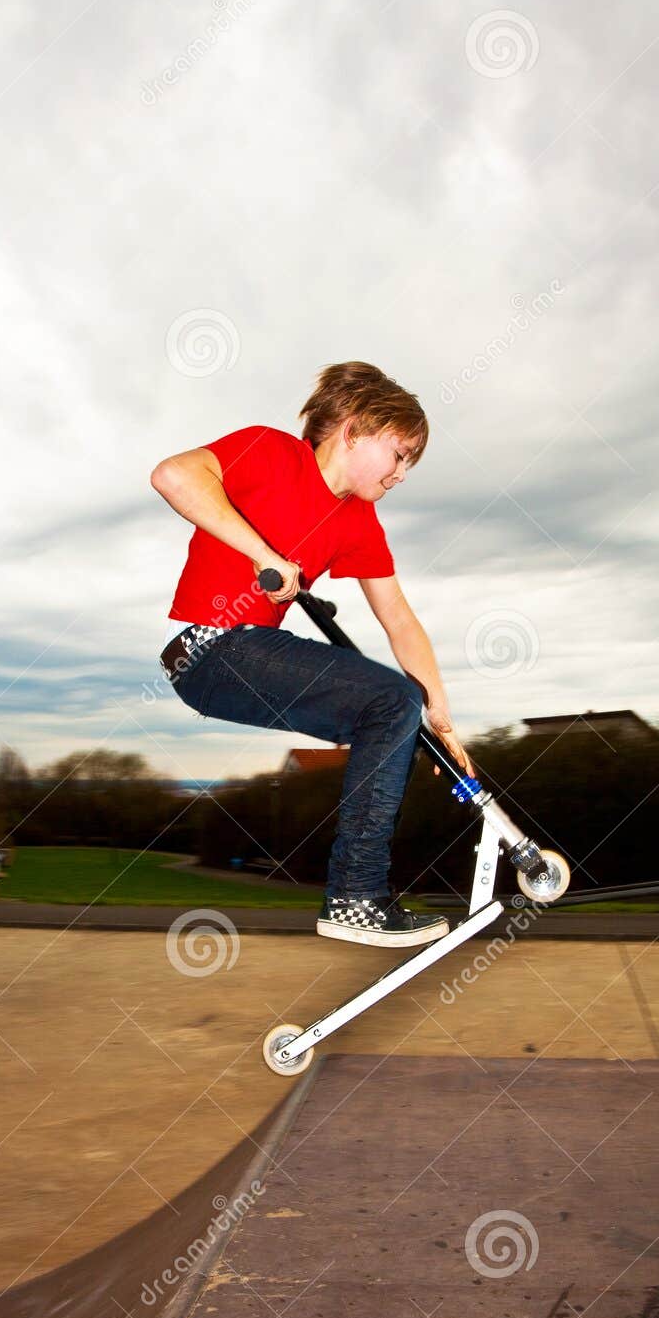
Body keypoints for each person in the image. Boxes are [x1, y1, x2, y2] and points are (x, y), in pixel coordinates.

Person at [153, 360, 474, 948]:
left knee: (394, 712)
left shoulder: (359, 520)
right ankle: (356, 895)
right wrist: (261, 552)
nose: (403, 474)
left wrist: (441, 721)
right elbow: (172, 475)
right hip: (209, 649)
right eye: (399, 455)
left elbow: (399, 618)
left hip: (252, 656)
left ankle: (360, 893)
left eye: (411, 464)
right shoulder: (270, 452)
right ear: (352, 430)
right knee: (390, 698)